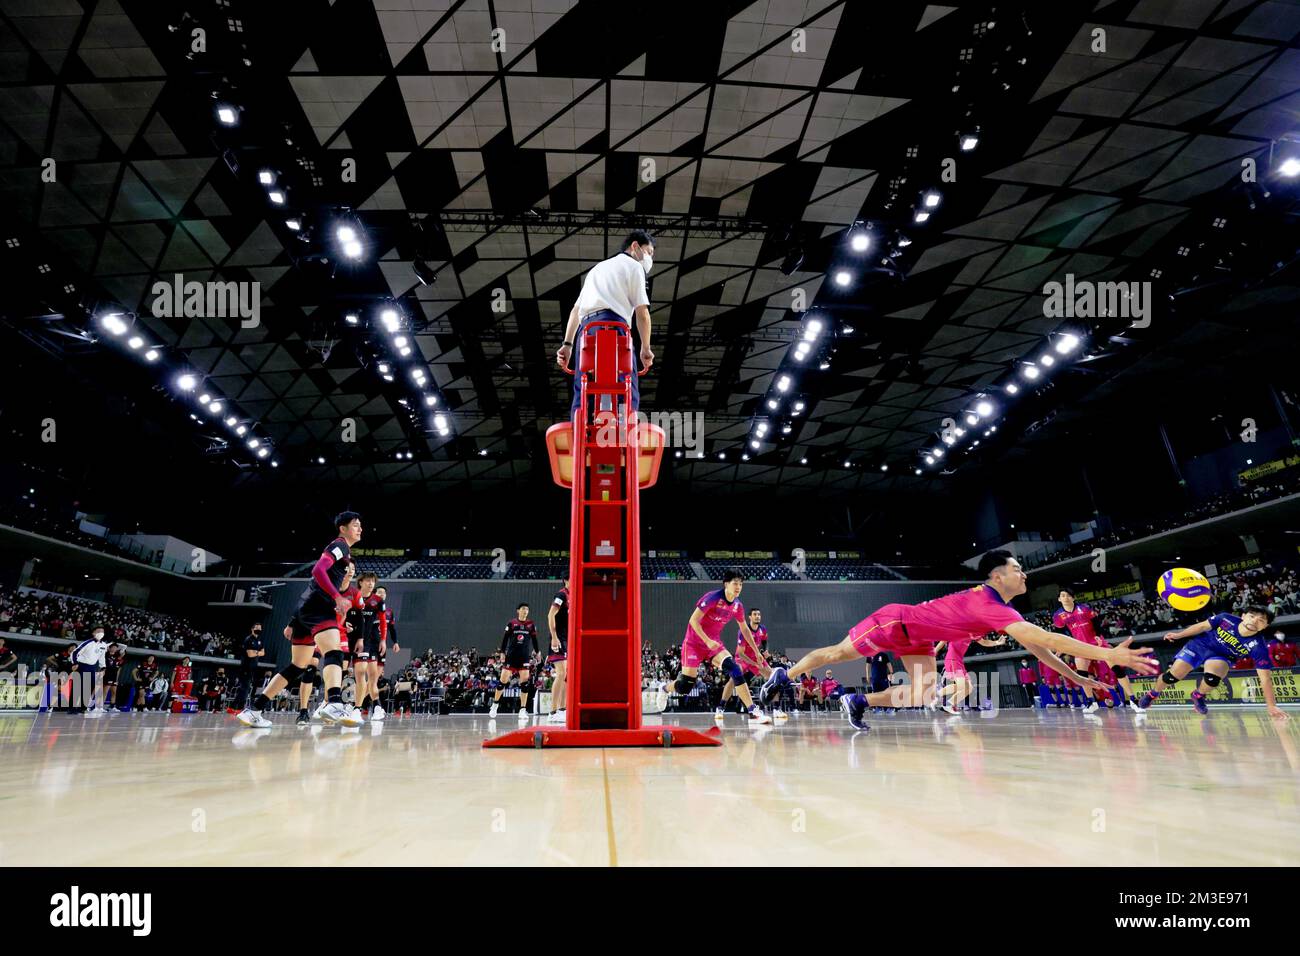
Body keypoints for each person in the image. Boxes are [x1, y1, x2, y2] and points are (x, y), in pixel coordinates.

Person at [762, 550, 1158, 732]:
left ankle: (858, 701)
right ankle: (784, 674)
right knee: (837, 653)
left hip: (918, 641)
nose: (1024, 574)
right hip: (895, 621)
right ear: (997, 577)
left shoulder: (1002, 610)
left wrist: (1077, 676)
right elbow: (1047, 637)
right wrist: (1109, 653)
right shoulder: (989, 605)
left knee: (922, 693)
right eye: (1017, 569)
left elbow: (1039, 647)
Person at [237, 512, 365, 728]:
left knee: (297, 666)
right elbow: (317, 570)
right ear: (343, 529)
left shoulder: (343, 550)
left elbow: (310, 586)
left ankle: (254, 710)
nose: (360, 529)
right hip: (319, 607)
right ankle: (334, 702)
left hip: (305, 611)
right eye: (355, 525)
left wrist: (294, 620)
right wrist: (337, 596)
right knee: (334, 652)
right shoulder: (340, 545)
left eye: (360, 525)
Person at [555, 230, 656, 420]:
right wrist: (645, 348)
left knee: (582, 385)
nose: (650, 259)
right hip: (616, 328)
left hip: (587, 331)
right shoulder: (635, 266)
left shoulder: (597, 269)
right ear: (635, 246)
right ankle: (626, 428)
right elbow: (642, 314)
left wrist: (567, 345)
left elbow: (576, 310)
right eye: (649, 252)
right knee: (627, 383)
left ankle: (580, 428)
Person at [1136, 607, 1289, 720]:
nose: (1255, 621)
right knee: (1171, 677)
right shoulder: (1225, 618)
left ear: (1265, 626)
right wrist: (1178, 635)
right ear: (1243, 616)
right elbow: (1202, 626)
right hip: (1199, 646)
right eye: (1252, 616)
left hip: (1222, 656)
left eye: (1261, 620)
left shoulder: (1258, 646)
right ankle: (1153, 694)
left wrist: (1271, 705)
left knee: (1212, 680)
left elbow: (1265, 679)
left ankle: (1198, 695)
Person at [670, 571, 771, 725]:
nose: (738, 587)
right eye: (735, 583)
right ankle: (665, 689)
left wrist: (757, 652)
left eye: (741, 584)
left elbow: (745, 629)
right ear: (726, 584)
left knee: (735, 670)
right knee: (685, 686)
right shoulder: (713, 598)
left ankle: (753, 711)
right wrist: (706, 640)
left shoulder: (737, 606)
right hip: (694, 644)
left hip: (714, 645)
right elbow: (693, 620)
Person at [1053, 589, 1119, 712]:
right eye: (1063, 595)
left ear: (1073, 598)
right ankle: (1091, 702)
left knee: (1111, 670)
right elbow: (1060, 633)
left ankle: (1129, 699)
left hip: (1096, 643)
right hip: (1080, 646)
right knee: (1083, 675)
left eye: (1068, 595)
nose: (1066, 597)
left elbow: (1096, 622)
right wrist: (1062, 646)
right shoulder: (1058, 615)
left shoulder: (1084, 608)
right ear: (1059, 599)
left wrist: (1098, 636)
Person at [720, 607, 778, 718]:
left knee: (773, 678)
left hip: (756, 657)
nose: (757, 616)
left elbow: (764, 641)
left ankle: (776, 709)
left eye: (759, 614)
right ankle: (721, 707)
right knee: (733, 678)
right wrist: (754, 664)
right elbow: (740, 653)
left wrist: (765, 650)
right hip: (743, 658)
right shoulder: (743, 631)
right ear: (750, 617)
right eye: (755, 614)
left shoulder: (762, 629)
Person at [934, 634, 1006, 716]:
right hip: (952, 659)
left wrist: (997, 642)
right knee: (962, 686)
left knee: (968, 688)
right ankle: (941, 698)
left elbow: (984, 642)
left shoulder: (973, 633)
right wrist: (934, 651)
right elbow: (943, 640)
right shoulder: (956, 630)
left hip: (959, 662)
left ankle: (944, 699)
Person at [490, 604, 538, 720]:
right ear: (518, 611)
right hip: (511, 657)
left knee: (525, 684)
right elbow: (505, 639)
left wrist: (538, 652)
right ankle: (495, 705)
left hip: (524, 657)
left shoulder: (531, 624)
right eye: (523, 609)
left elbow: (534, 640)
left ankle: (522, 710)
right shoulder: (511, 623)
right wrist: (502, 652)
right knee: (502, 682)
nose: (525, 611)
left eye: (527, 609)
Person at [545, 577, 570, 725]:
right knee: (561, 673)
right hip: (558, 638)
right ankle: (552, 712)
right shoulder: (561, 595)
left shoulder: (572, 596)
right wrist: (554, 637)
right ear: (565, 580)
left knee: (567, 676)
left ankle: (561, 710)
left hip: (567, 639)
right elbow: (550, 615)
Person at [70, 626, 109, 716]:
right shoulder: (87, 643)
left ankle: (82, 708)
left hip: (92, 667)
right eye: (98, 631)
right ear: (93, 633)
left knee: (89, 688)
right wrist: (75, 663)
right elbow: (75, 652)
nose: (101, 633)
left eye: (102, 631)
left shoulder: (104, 645)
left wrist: (103, 668)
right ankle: (72, 708)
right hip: (81, 666)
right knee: (77, 687)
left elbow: (102, 657)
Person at [230, 623, 266, 712]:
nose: (259, 630)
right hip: (246, 667)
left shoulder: (259, 640)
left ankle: (233, 707)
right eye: (257, 628)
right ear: (252, 629)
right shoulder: (249, 639)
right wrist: (258, 652)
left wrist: (255, 652)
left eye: (260, 628)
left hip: (253, 668)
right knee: (244, 688)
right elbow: (250, 654)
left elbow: (263, 653)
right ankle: (238, 708)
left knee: (246, 688)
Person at [103, 644, 126, 710]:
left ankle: (112, 706)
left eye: (115, 648)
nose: (114, 649)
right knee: (105, 691)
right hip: (107, 675)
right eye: (113, 647)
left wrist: (117, 679)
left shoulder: (118, 658)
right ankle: (100, 707)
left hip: (114, 677)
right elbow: (105, 647)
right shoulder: (106, 654)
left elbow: (124, 647)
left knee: (114, 692)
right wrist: (112, 643)